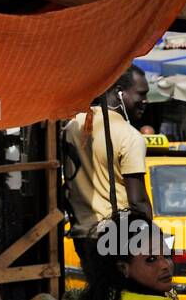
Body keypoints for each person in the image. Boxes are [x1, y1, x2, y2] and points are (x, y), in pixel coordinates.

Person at [63, 65, 153, 263]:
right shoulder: (129, 136)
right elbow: (137, 201)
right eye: (141, 94)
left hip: (82, 234)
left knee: (97, 290)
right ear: (119, 92)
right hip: (116, 236)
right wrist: (151, 237)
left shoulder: (73, 126)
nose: (146, 101)